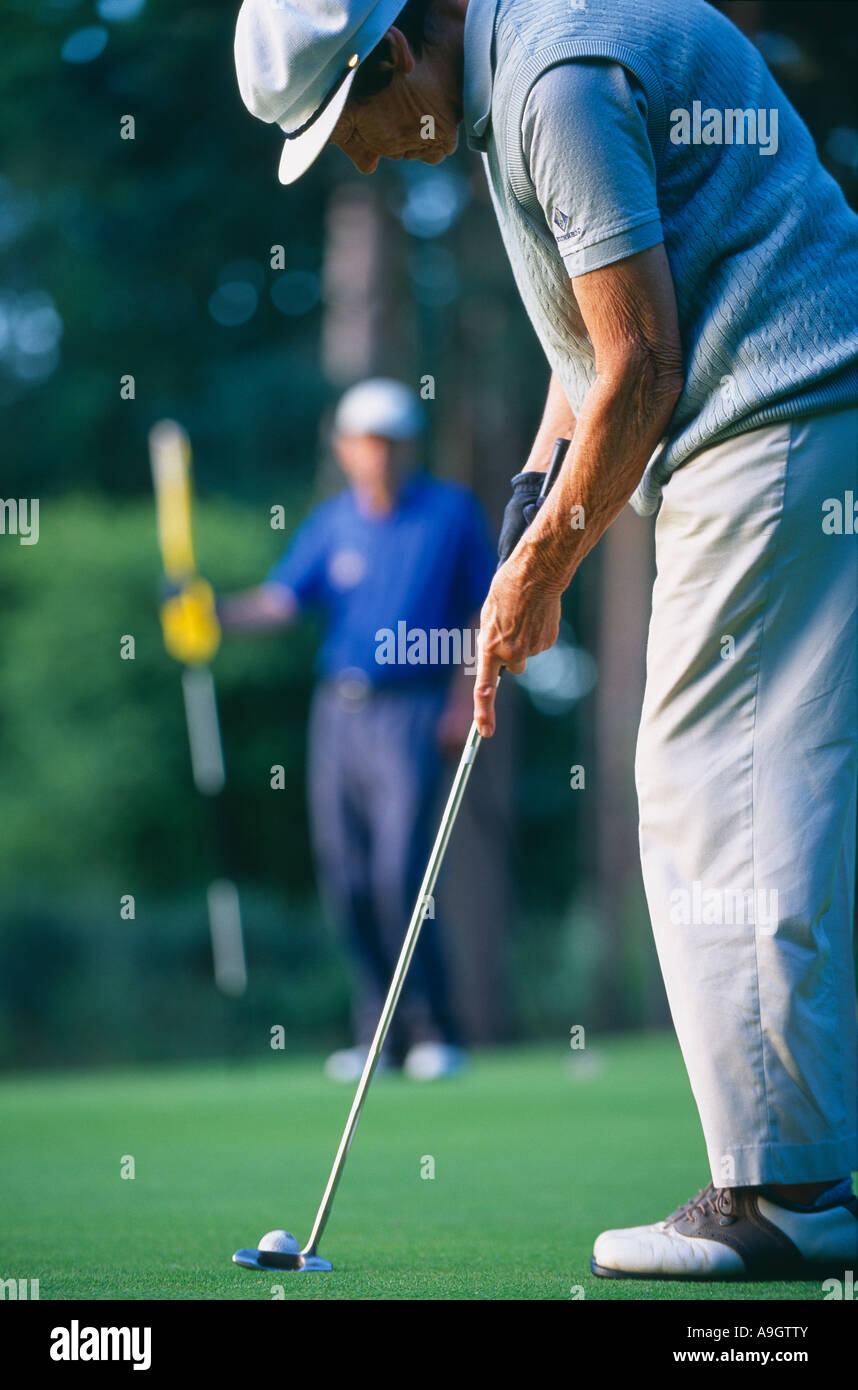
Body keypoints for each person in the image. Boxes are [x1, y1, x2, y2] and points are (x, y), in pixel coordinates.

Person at [234, 0, 858, 1278]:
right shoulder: (528, 63)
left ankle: (785, 1190)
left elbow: (642, 365)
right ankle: (802, 1171)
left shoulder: (551, 88)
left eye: (345, 128)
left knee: (710, 796)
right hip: (801, 423)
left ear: (395, 56)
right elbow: (584, 364)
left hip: (779, 421)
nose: (358, 158)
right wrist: (529, 536)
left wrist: (544, 574)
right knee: (784, 801)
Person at [221, 378, 495, 1082]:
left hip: (412, 708)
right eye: (367, 441)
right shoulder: (332, 523)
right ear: (344, 449)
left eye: (392, 441)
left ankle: (433, 1029)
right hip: (336, 714)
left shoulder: (450, 515)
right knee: (344, 875)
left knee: (400, 872)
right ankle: (377, 1033)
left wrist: (465, 698)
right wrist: (209, 611)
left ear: (410, 446)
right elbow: (281, 604)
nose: (380, 454)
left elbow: (480, 615)